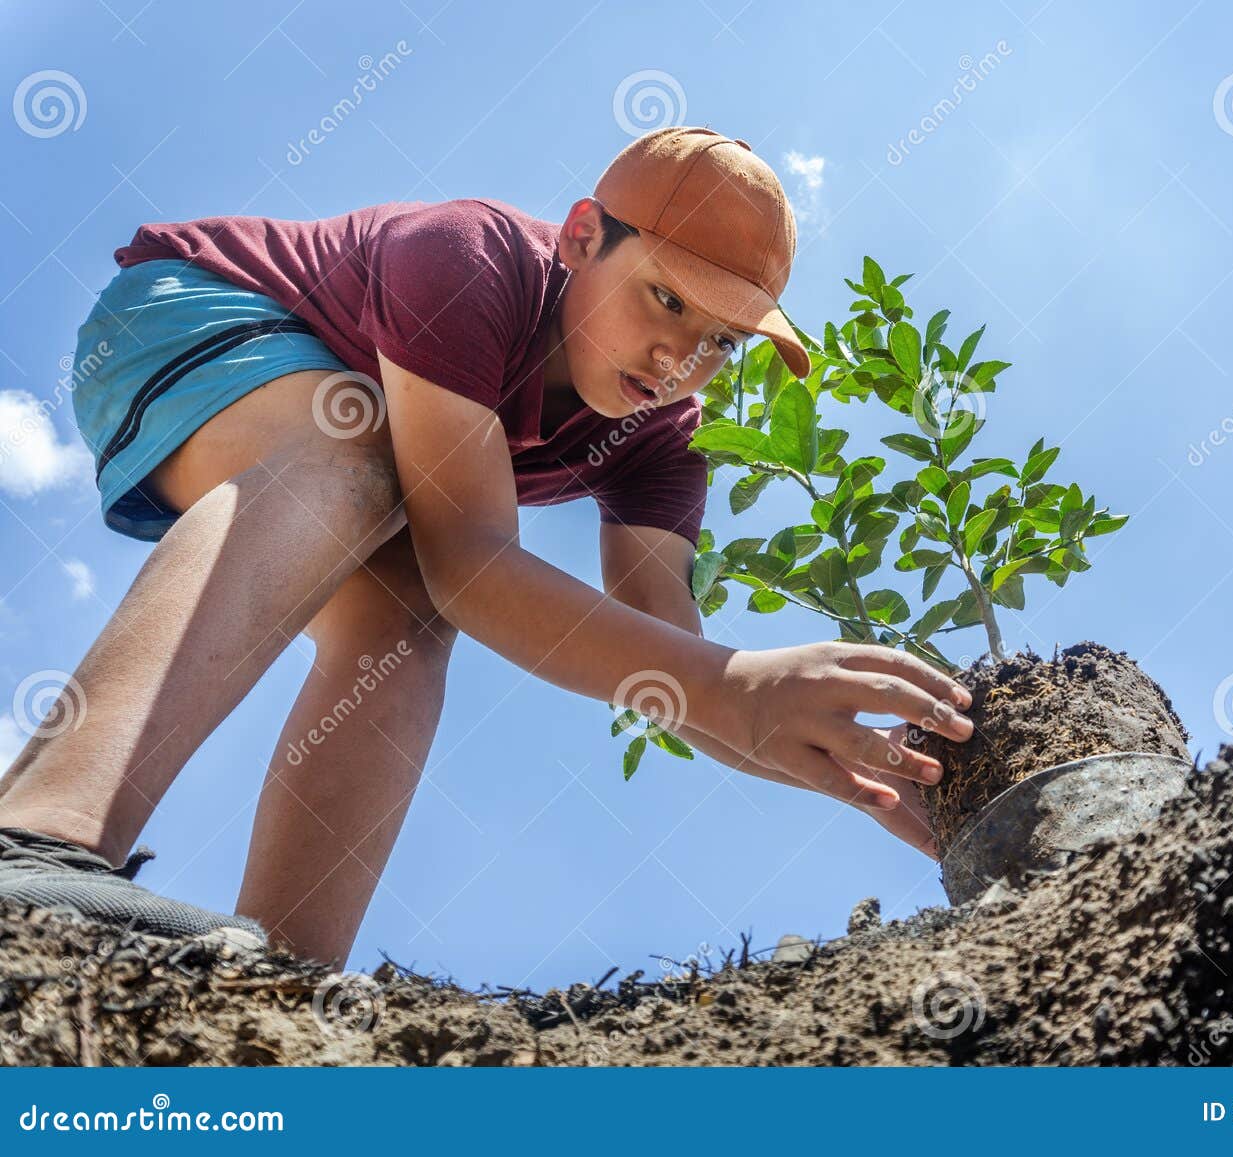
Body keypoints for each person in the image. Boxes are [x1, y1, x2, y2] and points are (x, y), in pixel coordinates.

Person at [0, 126, 973, 967]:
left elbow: (674, 665)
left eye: (723, 342)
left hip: (340, 428)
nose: (683, 361)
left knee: (408, 607)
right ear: (582, 235)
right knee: (367, 476)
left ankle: (282, 972)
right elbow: (473, 558)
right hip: (194, 311)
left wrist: (863, 769)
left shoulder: (665, 445)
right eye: (667, 300)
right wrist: (731, 687)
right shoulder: (464, 257)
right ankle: (41, 833)